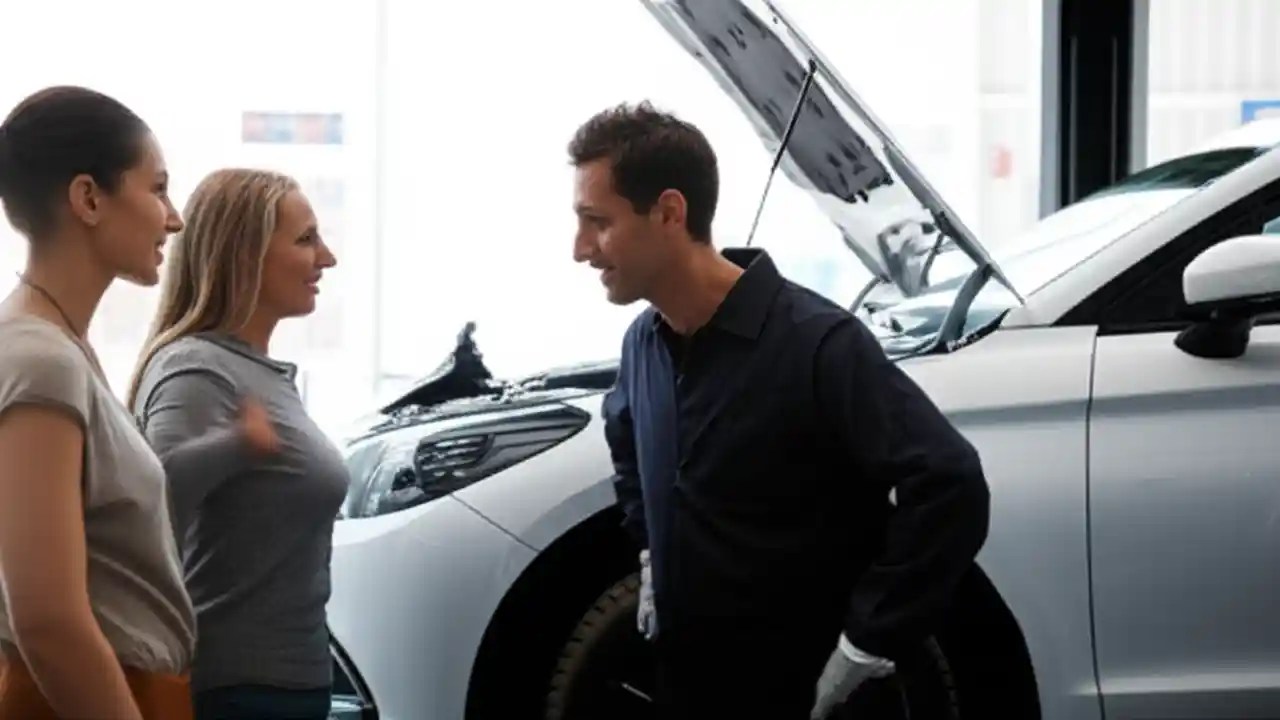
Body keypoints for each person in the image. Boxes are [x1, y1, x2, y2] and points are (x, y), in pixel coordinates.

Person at [569, 101, 991, 719]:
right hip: (690, 685)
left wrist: (868, 639)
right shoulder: (644, 342)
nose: (581, 249)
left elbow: (950, 483)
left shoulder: (821, 345)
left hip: (812, 697)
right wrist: (653, 551)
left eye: (596, 222)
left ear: (668, 212)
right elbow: (627, 437)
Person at [0, 85, 196, 719]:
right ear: (88, 198)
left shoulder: (57, 347)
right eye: (158, 187)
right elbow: (49, 620)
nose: (174, 217)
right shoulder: (40, 360)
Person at [127, 168, 347, 720]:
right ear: (244, 255)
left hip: (292, 682)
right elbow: (148, 509)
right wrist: (232, 446)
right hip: (235, 688)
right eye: (305, 240)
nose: (327, 258)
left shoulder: (261, 374)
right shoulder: (196, 368)